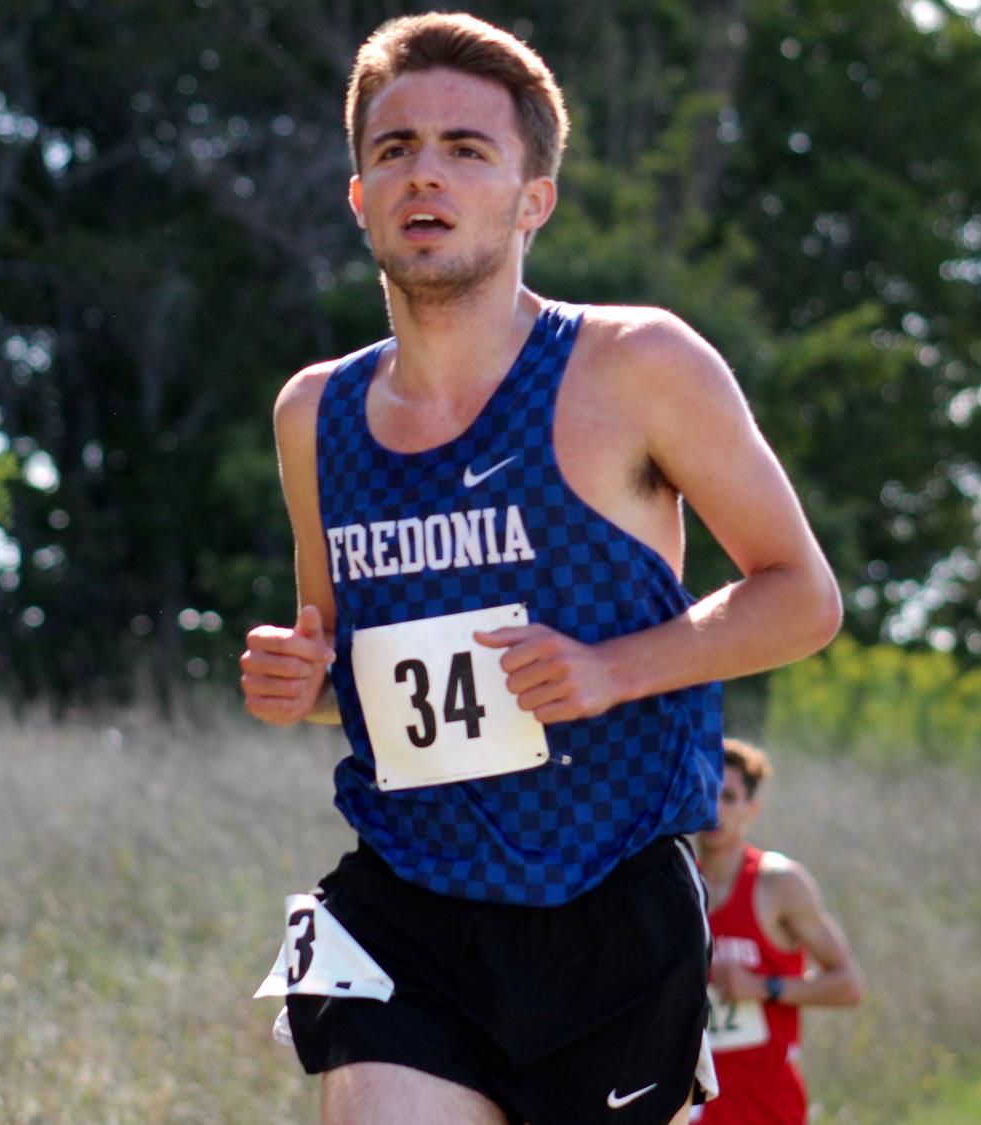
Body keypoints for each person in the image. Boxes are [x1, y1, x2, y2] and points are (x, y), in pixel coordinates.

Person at [236, 13, 842, 1125]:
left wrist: (613, 669)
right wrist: (300, 682)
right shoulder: (312, 412)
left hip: (607, 906)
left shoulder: (634, 364)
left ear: (533, 199)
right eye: (394, 148)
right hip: (403, 901)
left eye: (467, 150)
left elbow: (800, 596)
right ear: (358, 194)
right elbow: (354, 676)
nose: (426, 173)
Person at [691, 738, 862, 1125]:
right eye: (706, 793)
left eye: (729, 797)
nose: (715, 808)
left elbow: (848, 984)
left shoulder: (777, 883)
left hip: (764, 1102)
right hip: (692, 1101)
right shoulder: (677, 885)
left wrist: (766, 987)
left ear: (752, 809)